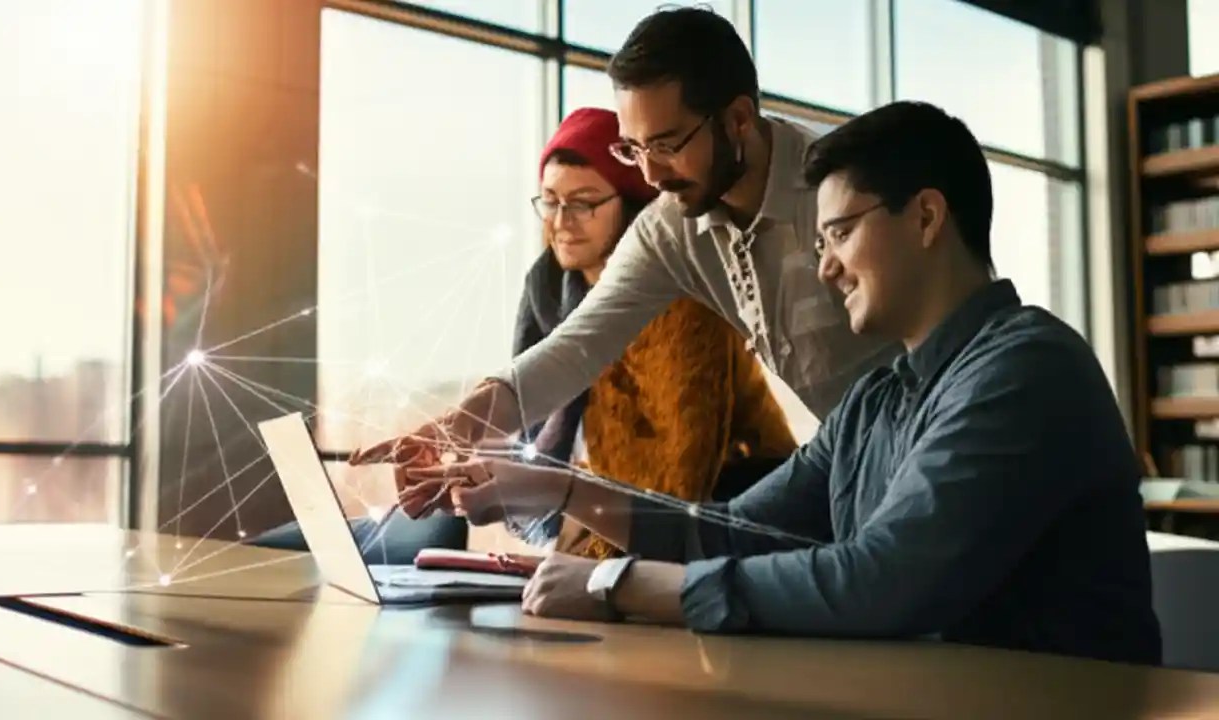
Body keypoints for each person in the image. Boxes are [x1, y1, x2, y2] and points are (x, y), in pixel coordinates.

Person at [403, 100, 1164, 667]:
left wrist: (619, 585)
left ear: (927, 217)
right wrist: (562, 490)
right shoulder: (878, 399)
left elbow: (887, 580)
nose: (825, 265)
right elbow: (728, 530)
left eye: (839, 233)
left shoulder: (1025, 369)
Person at [349, 6, 899, 471]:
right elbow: (575, 348)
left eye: (667, 144)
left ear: (737, 120)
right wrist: (456, 427)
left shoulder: (846, 189)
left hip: (948, 443)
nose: (651, 175)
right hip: (865, 460)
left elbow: (952, 329)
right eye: (633, 149)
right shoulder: (672, 226)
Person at [513, 106, 797, 559]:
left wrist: (585, 562)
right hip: (613, 516)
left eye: (584, 202)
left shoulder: (678, 299)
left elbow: (677, 481)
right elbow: (549, 444)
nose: (562, 221)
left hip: (731, 520)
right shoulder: (548, 289)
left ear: (628, 204)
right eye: (550, 200)